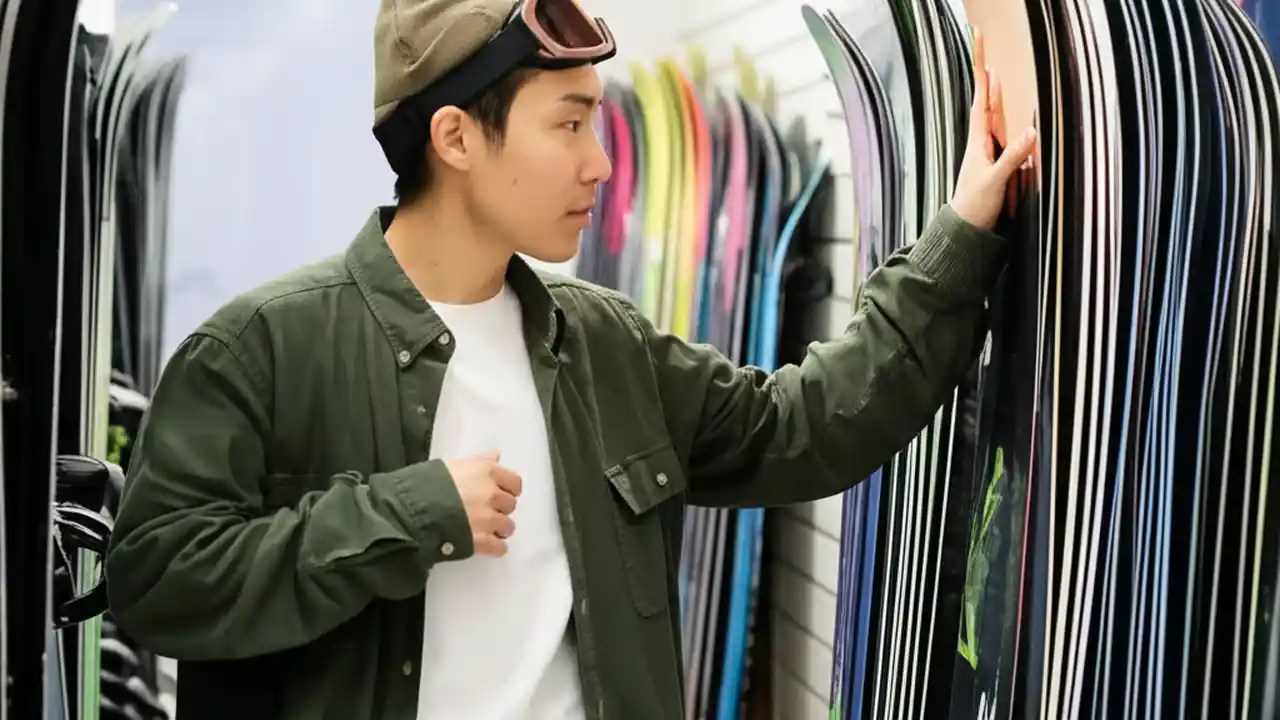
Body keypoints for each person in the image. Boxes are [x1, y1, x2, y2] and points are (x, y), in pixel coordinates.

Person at [104, 0, 1037, 718]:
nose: (599, 164)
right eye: (569, 124)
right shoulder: (260, 350)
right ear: (457, 137)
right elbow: (156, 584)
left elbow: (802, 429)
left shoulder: (602, 346)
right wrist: (404, 514)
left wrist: (956, 243)